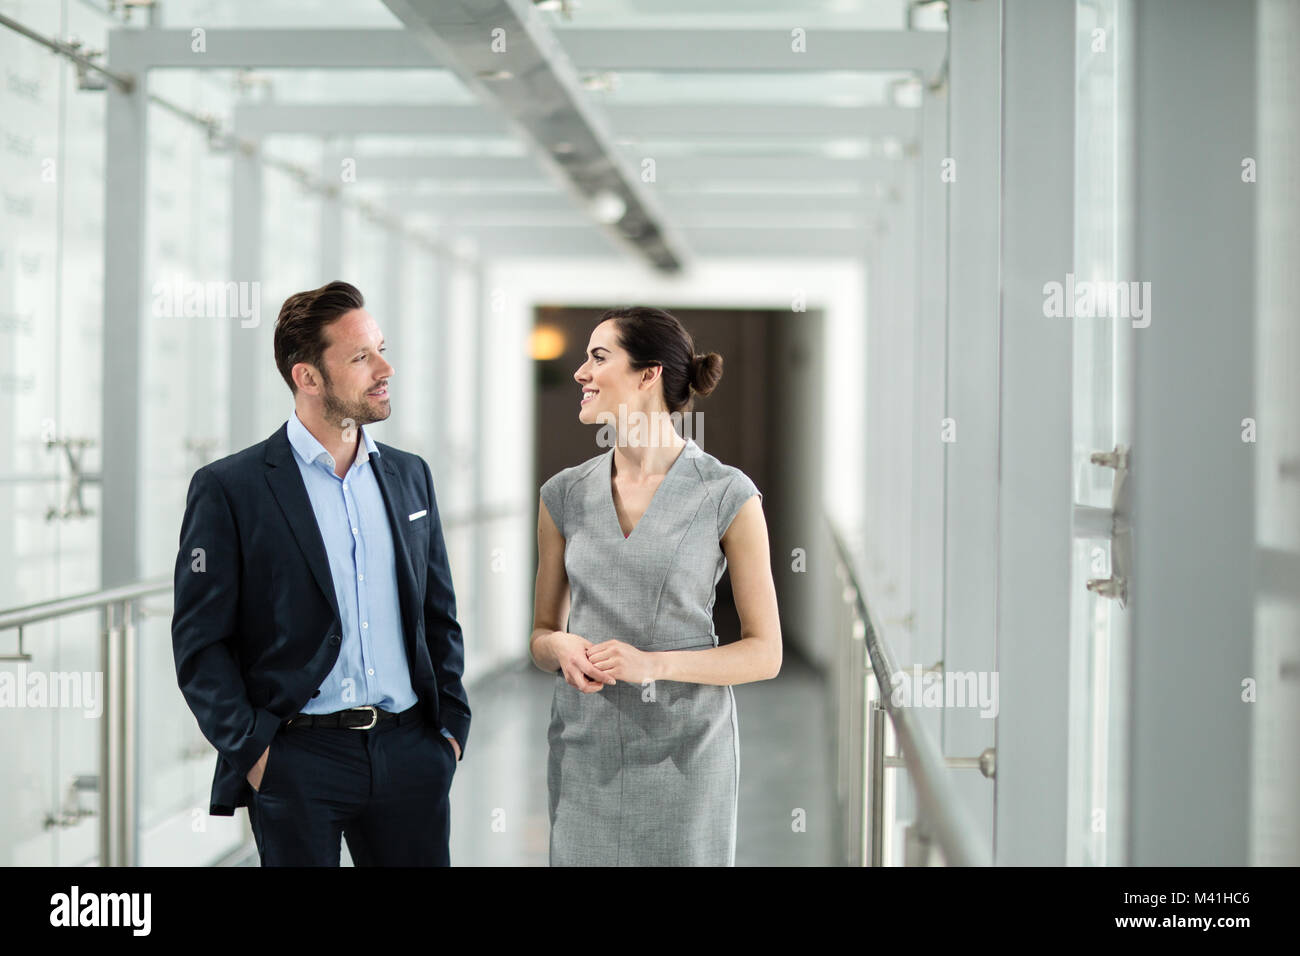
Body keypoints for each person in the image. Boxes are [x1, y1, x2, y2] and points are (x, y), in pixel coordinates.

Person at [171, 280, 470, 866]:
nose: (385, 367)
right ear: (307, 377)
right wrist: (256, 754)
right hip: (296, 759)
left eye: (380, 348)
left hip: (411, 751)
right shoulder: (231, 489)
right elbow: (200, 643)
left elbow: (439, 613)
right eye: (361, 357)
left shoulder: (410, 477)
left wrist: (450, 731)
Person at [531, 306, 782, 866]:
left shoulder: (726, 495)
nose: (580, 372)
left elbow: (765, 654)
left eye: (599, 357)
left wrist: (654, 664)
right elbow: (543, 634)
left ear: (648, 376)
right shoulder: (563, 495)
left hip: (687, 754)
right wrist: (560, 647)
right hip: (584, 749)